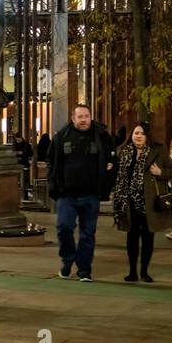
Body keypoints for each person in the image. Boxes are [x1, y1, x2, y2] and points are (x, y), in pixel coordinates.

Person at [48, 103, 112, 282]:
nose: (84, 120)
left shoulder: (101, 136)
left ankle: (84, 270)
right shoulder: (61, 137)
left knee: (87, 234)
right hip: (66, 195)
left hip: (91, 195)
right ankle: (67, 261)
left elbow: (111, 159)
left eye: (87, 116)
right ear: (73, 118)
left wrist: (106, 181)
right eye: (80, 117)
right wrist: (54, 185)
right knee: (64, 228)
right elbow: (51, 161)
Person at [113, 122, 172, 283]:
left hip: (150, 203)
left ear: (147, 136)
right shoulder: (123, 152)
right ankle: (132, 271)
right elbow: (117, 174)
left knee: (148, 238)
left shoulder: (158, 151)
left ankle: (145, 272)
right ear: (131, 136)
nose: (139, 136)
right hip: (129, 203)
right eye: (136, 133)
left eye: (142, 133)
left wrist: (160, 172)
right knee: (131, 237)